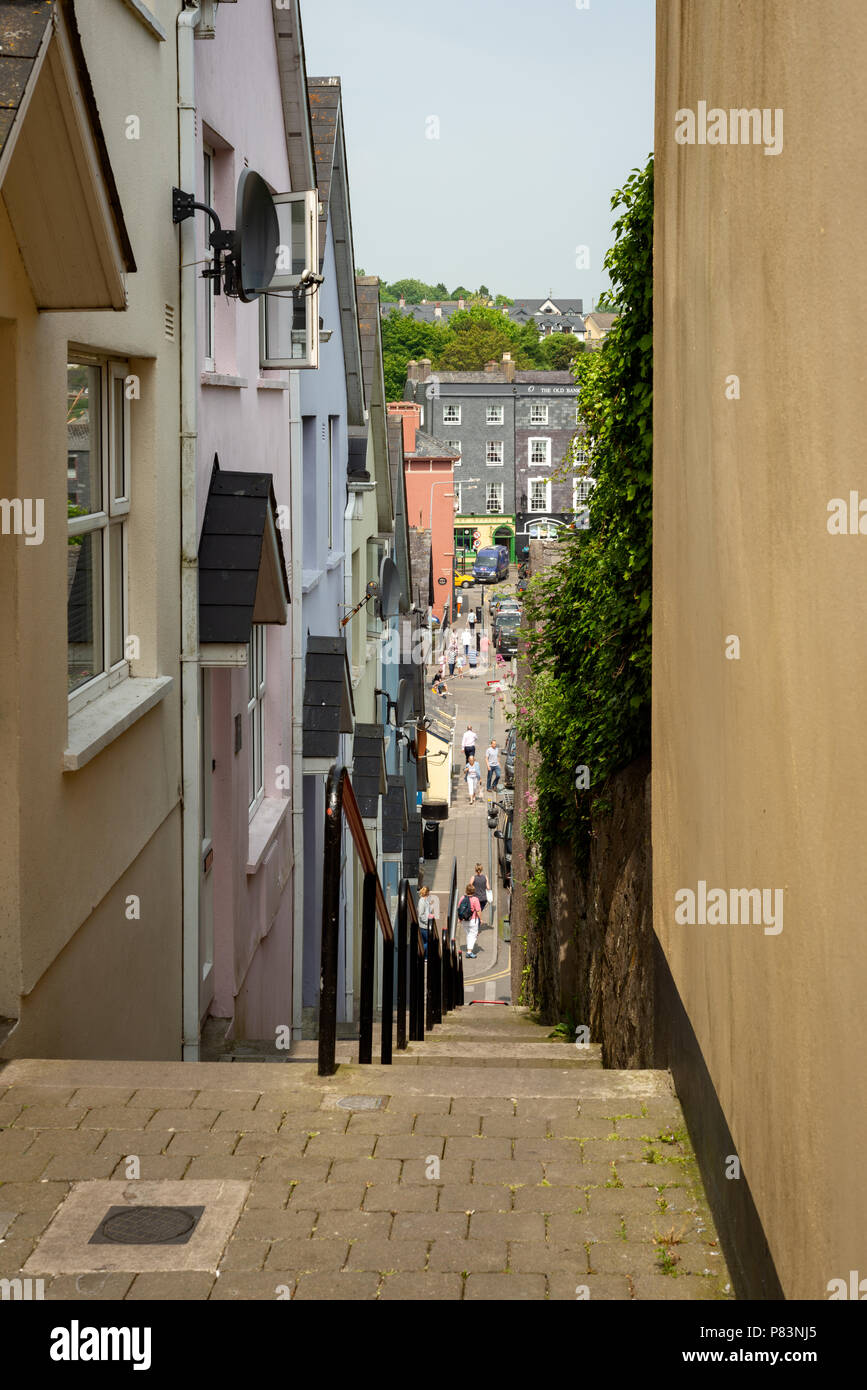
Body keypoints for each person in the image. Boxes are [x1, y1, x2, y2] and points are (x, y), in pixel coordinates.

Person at [458, 881, 483, 957]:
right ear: (473, 891)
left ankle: (469, 950)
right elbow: (478, 910)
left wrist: (459, 918)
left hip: (464, 920)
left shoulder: (462, 898)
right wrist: (481, 919)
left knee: (469, 934)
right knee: (473, 935)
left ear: (466, 890)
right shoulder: (475, 899)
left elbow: (459, 908)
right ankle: (469, 952)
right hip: (473, 920)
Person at [417, 885, 431, 960]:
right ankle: (423, 955)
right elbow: (421, 914)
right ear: (427, 892)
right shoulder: (422, 901)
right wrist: (427, 921)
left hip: (425, 925)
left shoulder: (425, 900)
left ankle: (424, 956)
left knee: (425, 942)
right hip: (424, 926)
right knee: (427, 942)